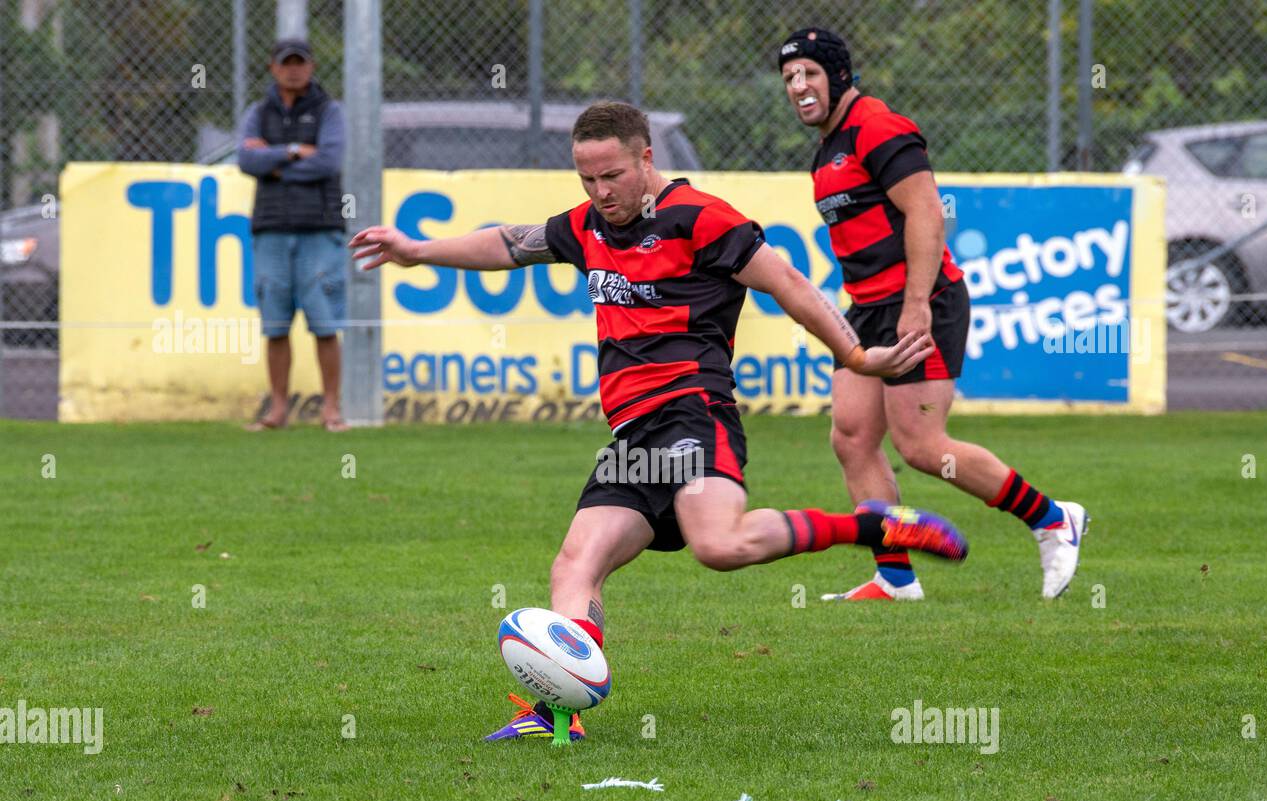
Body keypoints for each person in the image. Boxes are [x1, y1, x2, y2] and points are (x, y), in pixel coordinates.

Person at [351, 101, 970, 742]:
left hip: (692, 414)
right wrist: (416, 250)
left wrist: (856, 355)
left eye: (612, 175)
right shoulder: (588, 226)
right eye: (587, 179)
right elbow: (512, 242)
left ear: (646, 157)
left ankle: (873, 525)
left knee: (719, 547)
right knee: (575, 565)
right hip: (633, 439)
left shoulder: (701, 218)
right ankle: (557, 715)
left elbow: (787, 282)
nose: (600, 192)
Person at [778, 28, 1088, 601]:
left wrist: (916, 303)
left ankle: (1052, 518)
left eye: (810, 73)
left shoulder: (876, 126)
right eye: (789, 77)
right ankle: (895, 577)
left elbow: (925, 212)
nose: (798, 86)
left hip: (921, 301)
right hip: (867, 309)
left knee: (921, 445)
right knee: (851, 436)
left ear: (839, 76)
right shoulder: (827, 145)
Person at [238, 38, 348, 432]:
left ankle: (331, 409)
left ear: (312, 66)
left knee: (324, 323)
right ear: (272, 67)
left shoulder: (329, 111)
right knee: (275, 325)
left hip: (320, 229)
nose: (294, 70)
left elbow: (328, 162)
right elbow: (246, 159)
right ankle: (278, 410)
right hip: (271, 228)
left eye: (301, 62)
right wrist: (293, 151)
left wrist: (275, 163)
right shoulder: (258, 112)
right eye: (287, 63)